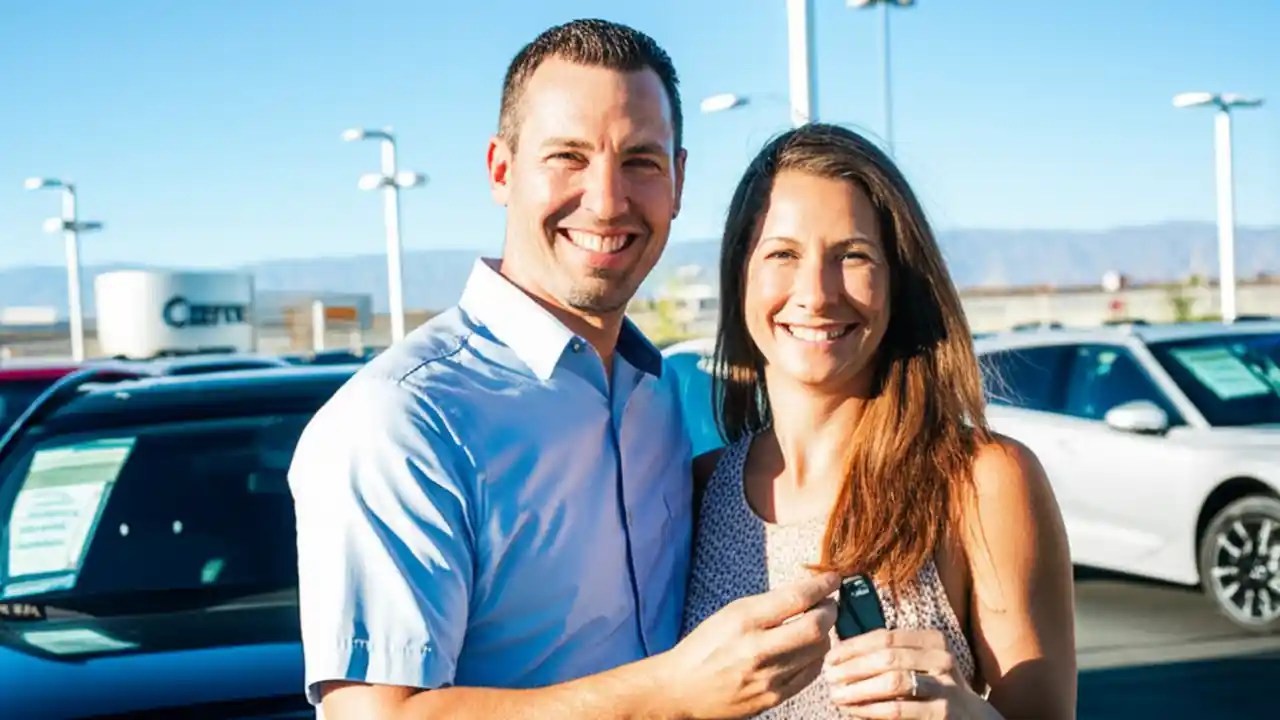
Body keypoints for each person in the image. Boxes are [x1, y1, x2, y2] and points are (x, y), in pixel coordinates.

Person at [287, 18, 840, 720]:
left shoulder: (657, 395)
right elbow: (378, 716)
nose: (607, 200)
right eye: (568, 157)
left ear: (678, 180)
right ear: (500, 170)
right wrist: (671, 694)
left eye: (641, 160)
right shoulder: (401, 419)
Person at [682, 124, 1078, 719]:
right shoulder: (696, 491)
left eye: (853, 255)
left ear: (898, 281)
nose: (815, 293)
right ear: (741, 274)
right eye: (782, 254)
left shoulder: (981, 481)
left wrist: (969, 717)